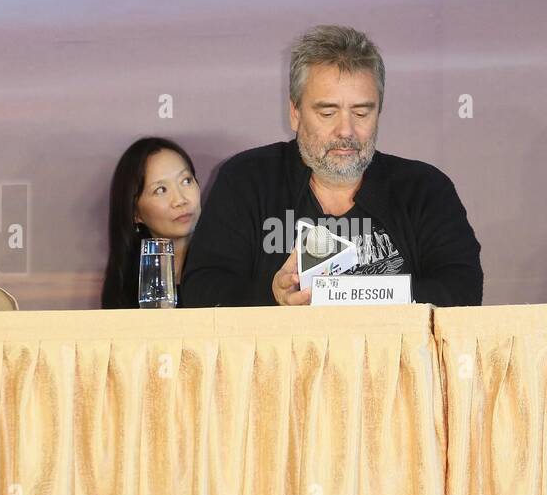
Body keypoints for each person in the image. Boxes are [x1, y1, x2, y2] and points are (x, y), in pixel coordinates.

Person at [180, 24, 482, 307]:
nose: (346, 131)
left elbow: (462, 288)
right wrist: (271, 294)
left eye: (361, 113)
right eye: (327, 113)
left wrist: (354, 296)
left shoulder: (424, 189)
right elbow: (201, 290)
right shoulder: (246, 180)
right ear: (295, 112)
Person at [100, 137, 201, 309]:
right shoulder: (125, 284)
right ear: (136, 213)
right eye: (160, 190)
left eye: (186, 181)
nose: (180, 200)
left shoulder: (228, 262)